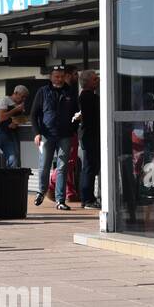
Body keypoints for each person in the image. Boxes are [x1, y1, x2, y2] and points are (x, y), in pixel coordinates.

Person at [31, 65, 79, 211]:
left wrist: (74, 129)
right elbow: (34, 114)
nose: (59, 79)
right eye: (56, 76)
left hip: (65, 135)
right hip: (47, 134)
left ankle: (60, 200)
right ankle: (41, 191)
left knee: (63, 167)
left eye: (61, 76)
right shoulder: (43, 92)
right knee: (44, 165)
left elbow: (76, 113)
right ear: (51, 77)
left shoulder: (70, 92)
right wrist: (37, 133)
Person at [0, 85, 29, 187]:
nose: (23, 99)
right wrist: (16, 109)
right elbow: (1, 117)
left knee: (13, 158)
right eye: (22, 96)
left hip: (9, 133)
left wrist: (16, 123)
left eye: (25, 97)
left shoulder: (20, 105)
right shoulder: (4, 101)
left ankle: (9, 183)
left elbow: (20, 119)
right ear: (15, 93)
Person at [76, 69, 101, 209]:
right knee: (90, 167)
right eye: (95, 79)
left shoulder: (88, 96)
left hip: (89, 136)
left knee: (90, 167)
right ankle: (87, 199)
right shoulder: (88, 97)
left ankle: (87, 198)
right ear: (89, 82)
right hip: (90, 136)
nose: (98, 81)